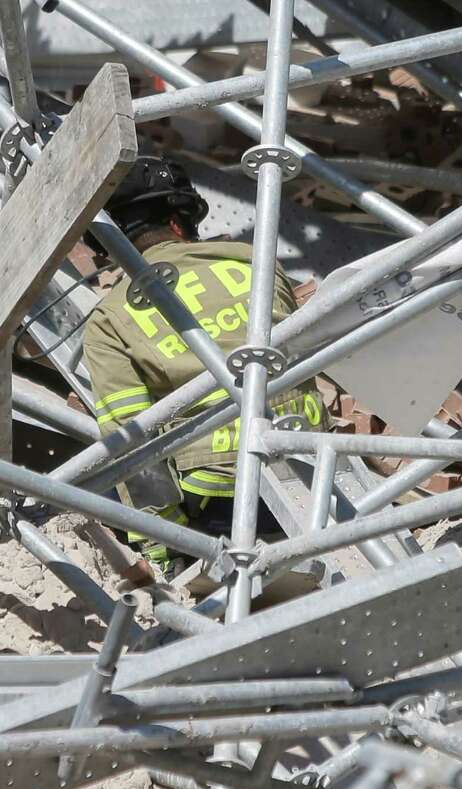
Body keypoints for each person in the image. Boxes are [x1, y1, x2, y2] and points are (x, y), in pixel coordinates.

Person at [82, 155, 326, 577]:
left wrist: (166, 548)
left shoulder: (109, 321)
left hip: (224, 506)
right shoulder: (257, 264)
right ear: (179, 223)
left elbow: (133, 445)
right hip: (315, 476)